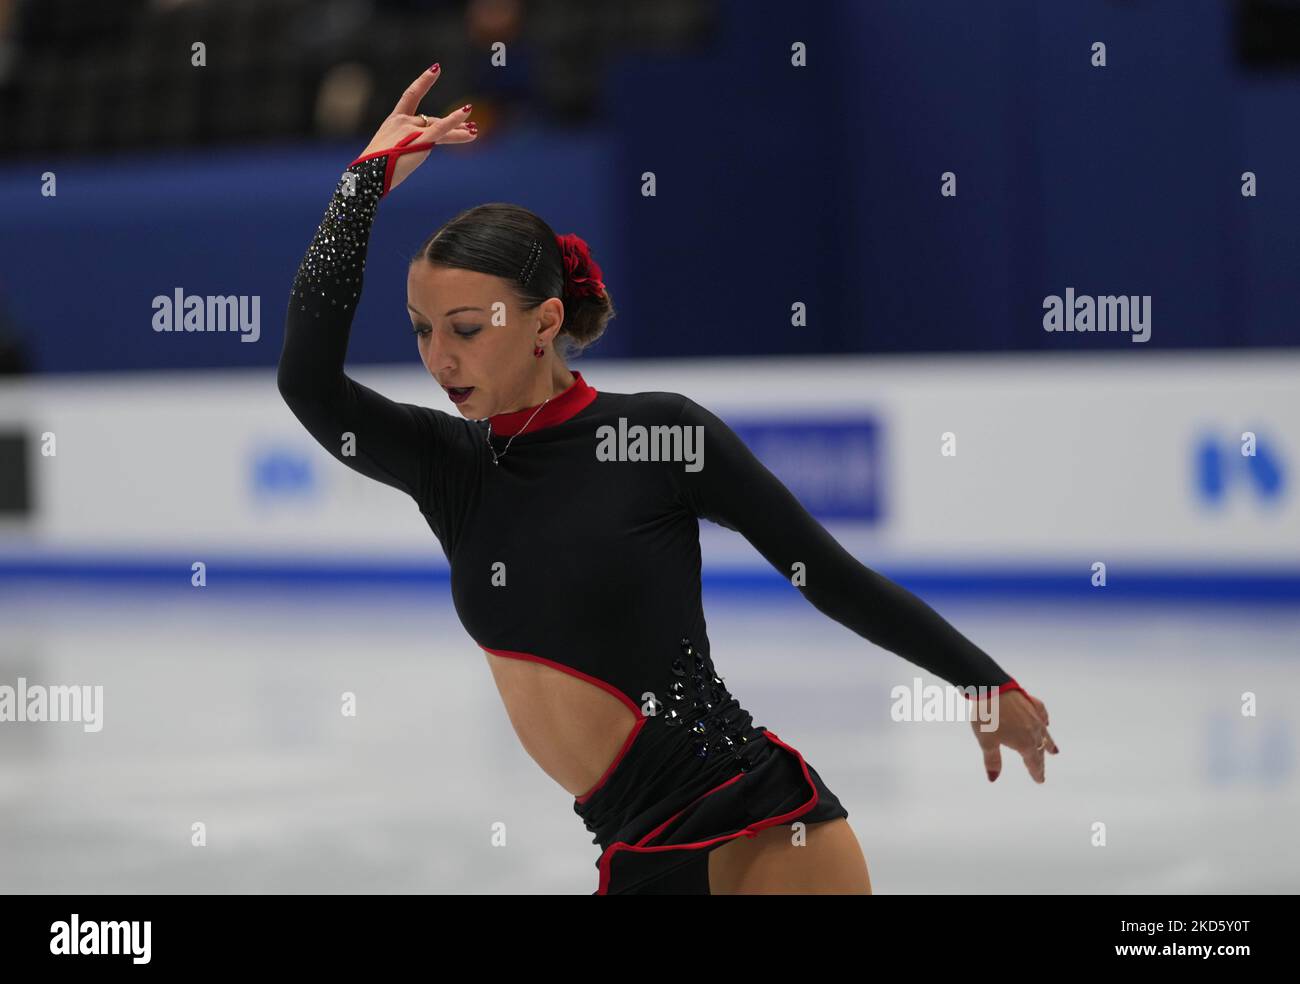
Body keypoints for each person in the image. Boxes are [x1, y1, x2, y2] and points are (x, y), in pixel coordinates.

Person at [276, 64, 1059, 895]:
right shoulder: (452, 468)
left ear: (544, 322)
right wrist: (359, 189)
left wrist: (983, 679)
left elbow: (826, 573)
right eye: (424, 330)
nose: (440, 357)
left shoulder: (655, 434)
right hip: (634, 847)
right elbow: (309, 385)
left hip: (758, 821)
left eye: (466, 329)